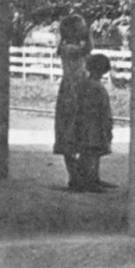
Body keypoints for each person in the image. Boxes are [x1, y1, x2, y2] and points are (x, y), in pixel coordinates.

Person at [52, 13, 94, 189]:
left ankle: (80, 175)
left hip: (78, 88)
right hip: (72, 90)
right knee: (69, 130)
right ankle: (74, 176)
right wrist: (89, 36)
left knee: (78, 130)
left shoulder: (70, 47)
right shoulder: (68, 48)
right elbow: (88, 49)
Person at [65, 53, 114, 193]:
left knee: (93, 151)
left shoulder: (85, 84)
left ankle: (93, 178)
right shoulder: (97, 87)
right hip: (94, 123)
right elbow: (101, 108)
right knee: (91, 152)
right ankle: (89, 180)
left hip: (87, 122)